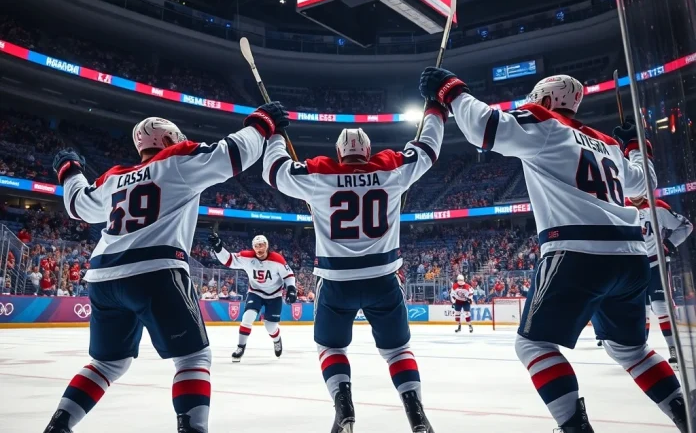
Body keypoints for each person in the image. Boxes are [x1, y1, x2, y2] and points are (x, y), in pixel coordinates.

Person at [419, 68, 686, 432]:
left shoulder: (545, 121)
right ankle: (687, 417)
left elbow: (484, 127)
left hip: (577, 252)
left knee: (533, 345)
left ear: (545, 100)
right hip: (631, 256)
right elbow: (646, 183)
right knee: (631, 350)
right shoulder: (607, 143)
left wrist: (450, 90)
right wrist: (636, 149)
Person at [43, 103, 289, 433]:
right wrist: (263, 123)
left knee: (106, 363)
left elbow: (78, 205)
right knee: (193, 359)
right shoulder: (178, 160)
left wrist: (70, 170)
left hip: (103, 277)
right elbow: (233, 154)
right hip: (156, 270)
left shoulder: (114, 177)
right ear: (169, 138)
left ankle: (59, 425)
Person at [262, 100, 447, 433]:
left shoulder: (320, 173)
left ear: (338, 152)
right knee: (397, 350)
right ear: (368, 148)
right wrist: (434, 110)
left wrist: (274, 133)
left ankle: (343, 406)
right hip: (383, 280)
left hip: (336, 283)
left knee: (331, 347)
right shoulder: (390, 168)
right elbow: (429, 149)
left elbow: (273, 171)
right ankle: (416, 414)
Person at [603, 196, 692, 366]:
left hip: (655, 262)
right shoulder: (620, 207)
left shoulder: (657, 206)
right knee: (639, 310)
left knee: (660, 306)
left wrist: (669, 244)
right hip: (634, 263)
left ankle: (673, 348)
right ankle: (641, 351)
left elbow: (686, 226)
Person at [208, 233, 297, 361]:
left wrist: (291, 289)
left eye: (261, 245)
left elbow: (289, 275)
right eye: (256, 246)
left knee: (270, 327)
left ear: (266, 246)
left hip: (275, 295)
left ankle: (277, 340)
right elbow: (228, 260)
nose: (258, 248)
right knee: (247, 317)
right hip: (255, 292)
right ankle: (240, 347)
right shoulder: (247, 257)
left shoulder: (277, 259)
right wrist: (218, 247)